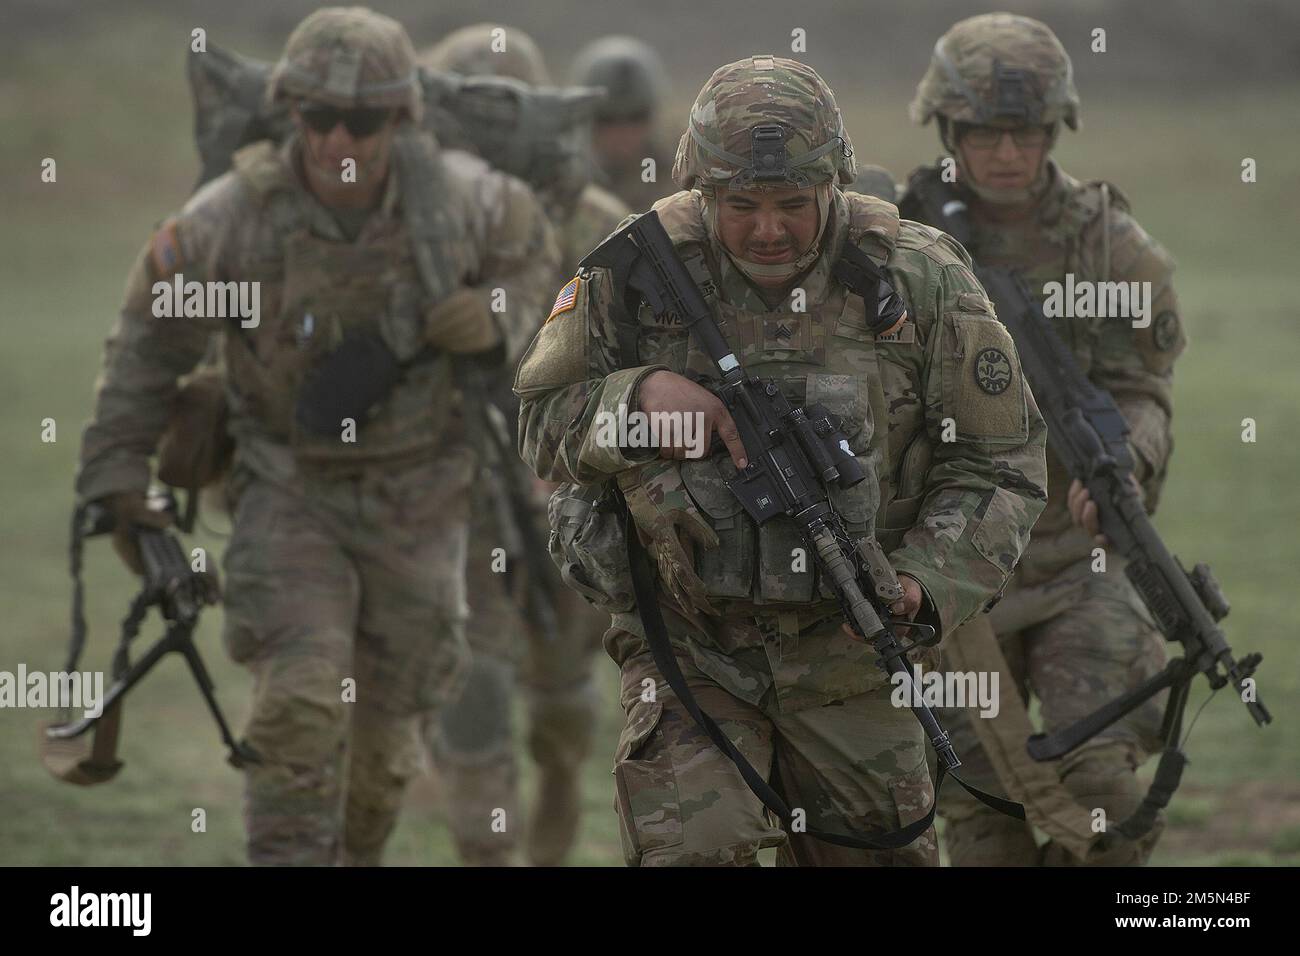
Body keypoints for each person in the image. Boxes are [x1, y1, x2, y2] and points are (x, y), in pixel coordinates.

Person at [515, 54, 1048, 866]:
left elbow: (1000, 462)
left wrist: (922, 584)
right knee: (697, 850)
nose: (768, 229)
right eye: (741, 205)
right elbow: (540, 418)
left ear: (833, 184)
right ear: (703, 190)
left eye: (793, 204)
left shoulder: (918, 279)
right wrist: (639, 398)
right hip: (692, 654)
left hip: (855, 660)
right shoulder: (633, 273)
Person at [74, 6, 558, 865]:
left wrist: (493, 316)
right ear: (289, 113)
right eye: (320, 116)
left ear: (401, 118)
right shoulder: (235, 218)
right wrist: (115, 474)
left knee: (382, 751)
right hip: (287, 489)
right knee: (299, 706)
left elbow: (535, 263)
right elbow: (150, 342)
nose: (343, 135)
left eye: (366, 118)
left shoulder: (466, 203)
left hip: (423, 497)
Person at [898, 12, 1186, 866]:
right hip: (951, 576)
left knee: (1101, 796)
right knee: (985, 822)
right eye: (985, 132)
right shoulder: (900, 242)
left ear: (1054, 128)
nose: (1006, 153)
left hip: (1074, 564)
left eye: (1024, 131)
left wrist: (1127, 457)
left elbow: (1146, 393)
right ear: (951, 129)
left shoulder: (1111, 249)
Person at [418, 23, 629, 866]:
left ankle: (559, 781)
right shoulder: (426, 226)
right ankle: (488, 850)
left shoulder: (602, 228)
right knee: (473, 685)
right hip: (456, 499)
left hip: (567, 501)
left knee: (562, 701)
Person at [570, 36, 674, 213]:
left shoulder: (680, 178)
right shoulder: (567, 180)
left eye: (636, 117)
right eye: (607, 119)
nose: (623, 133)